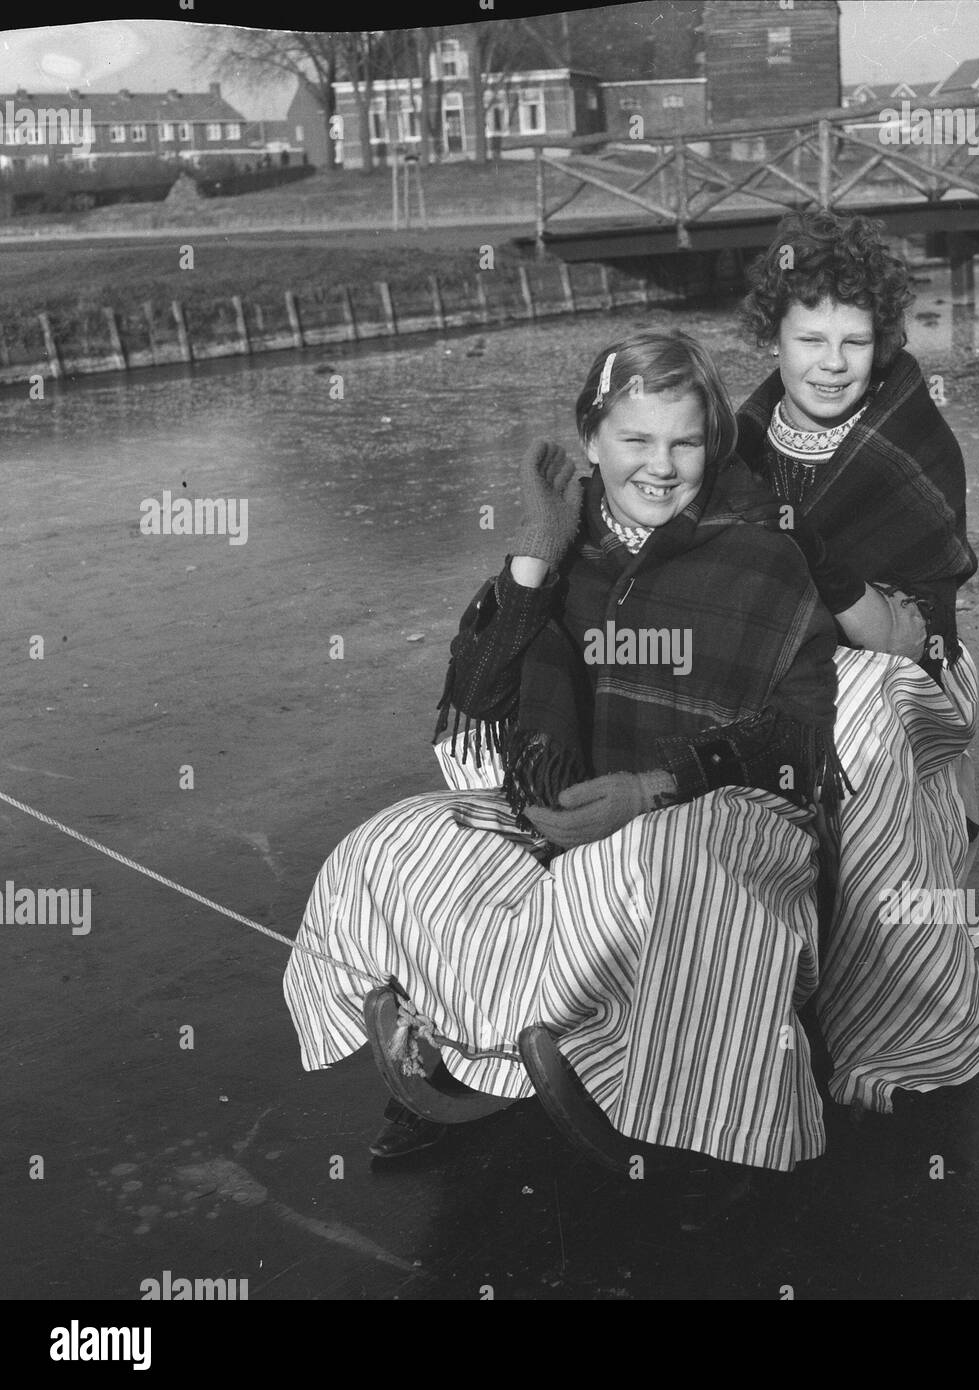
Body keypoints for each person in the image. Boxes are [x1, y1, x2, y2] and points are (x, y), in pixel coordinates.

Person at [283, 330, 842, 1187]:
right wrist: (537, 560)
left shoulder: (764, 554)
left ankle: (709, 1113)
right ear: (591, 440)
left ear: (712, 444)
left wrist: (657, 788)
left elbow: (799, 738)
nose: (661, 466)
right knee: (392, 844)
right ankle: (457, 1055)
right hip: (564, 806)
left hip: (714, 815)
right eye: (636, 440)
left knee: (660, 871)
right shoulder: (563, 538)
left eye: (685, 442)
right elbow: (474, 699)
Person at [731, 208, 979, 1113]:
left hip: (908, 668)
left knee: (864, 717)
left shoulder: (911, 437)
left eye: (855, 339)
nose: (832, 362)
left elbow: (919, 635)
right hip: (788, 663)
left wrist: (808, 554)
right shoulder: (740, 438)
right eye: (810, 337)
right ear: (774, 334)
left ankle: (894, 1021)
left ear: (883, 340)